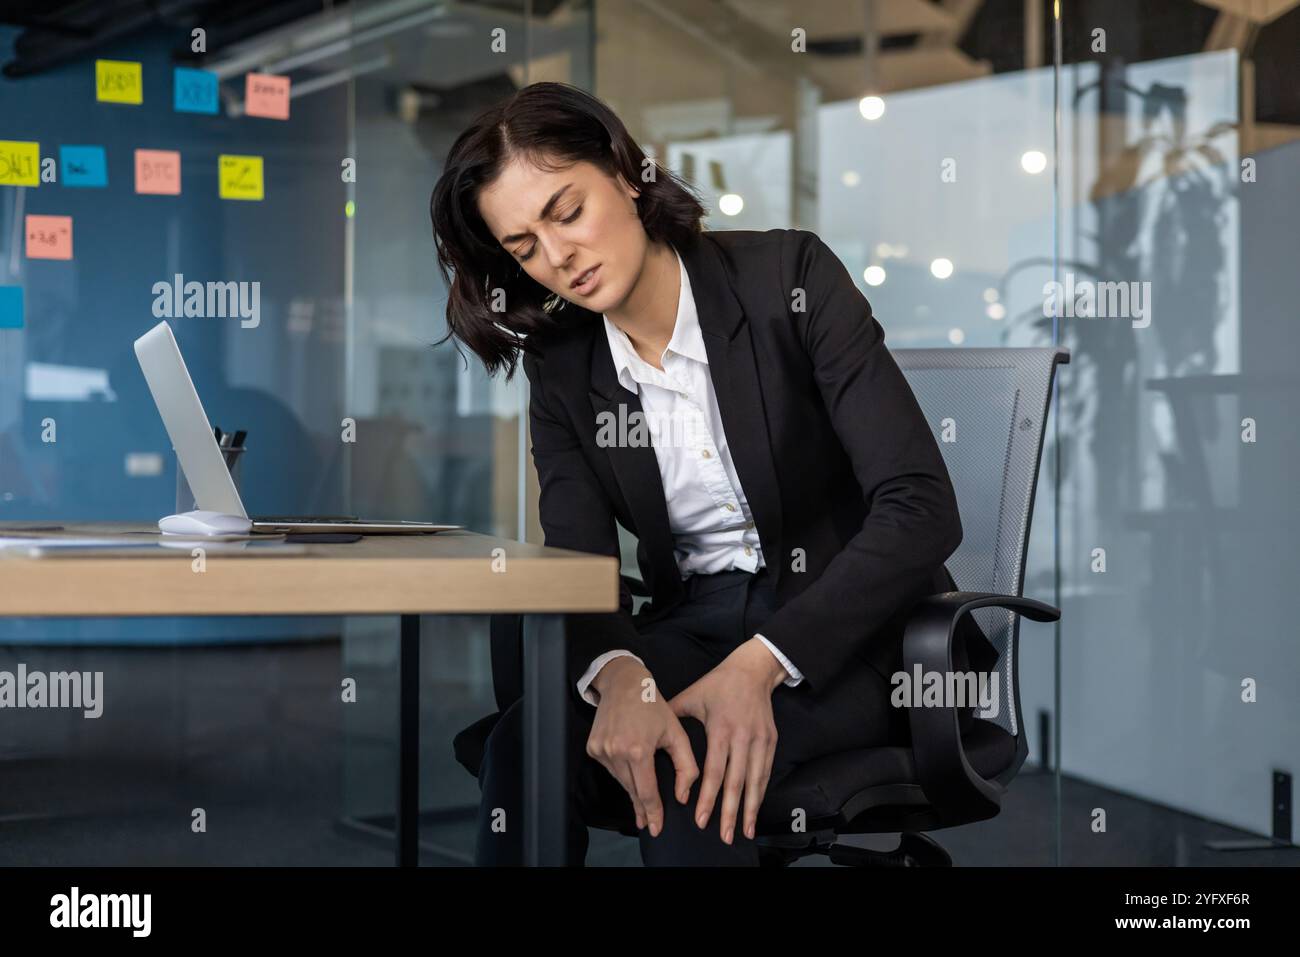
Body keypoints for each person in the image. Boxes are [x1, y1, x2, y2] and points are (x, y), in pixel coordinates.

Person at [430, 81, 996, 866]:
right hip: (694, 623)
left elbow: (921, 507)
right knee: (530, 742)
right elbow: (581, 563)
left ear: (628, 174)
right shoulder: (562, 366)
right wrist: (622, 675)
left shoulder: (788, 280)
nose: (558, 257)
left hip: (856, 635)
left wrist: (763, 663)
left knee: (689, 760)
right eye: (524, 247)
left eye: (567, 211)